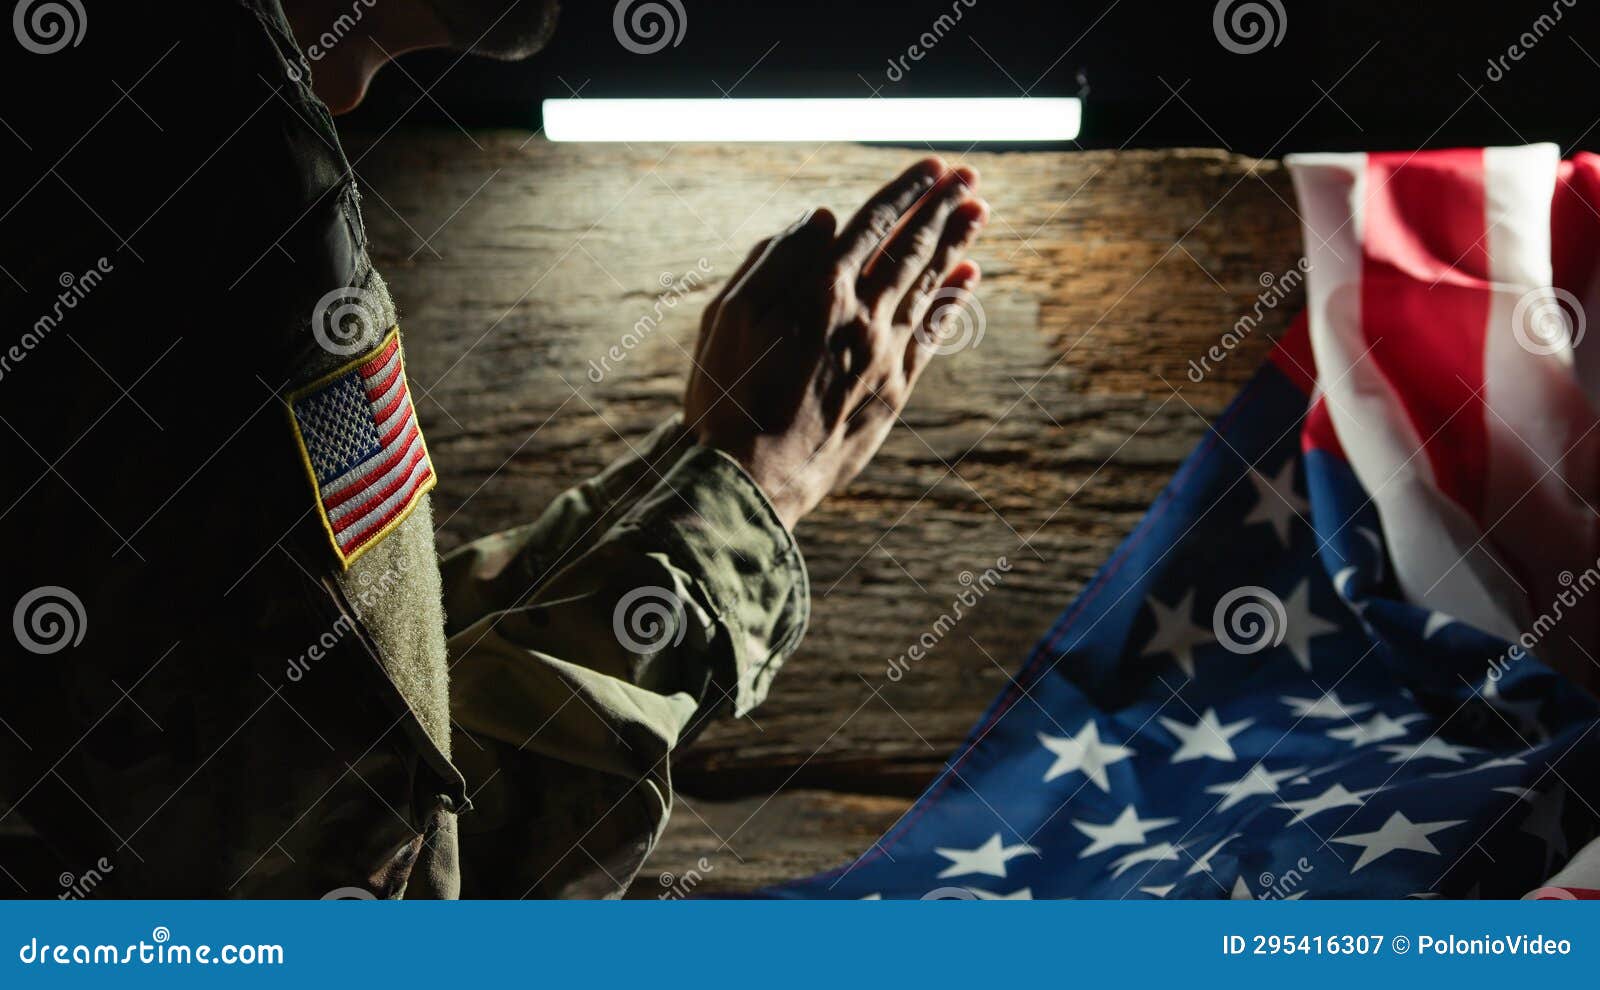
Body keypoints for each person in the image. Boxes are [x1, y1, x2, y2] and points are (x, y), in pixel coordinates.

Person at [0, 0, 986, 897]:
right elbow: (353, 906)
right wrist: (736, 503)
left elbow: (339, 706)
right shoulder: (196, 155)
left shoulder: (178, 97)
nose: (342, 93)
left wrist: (704, 479)